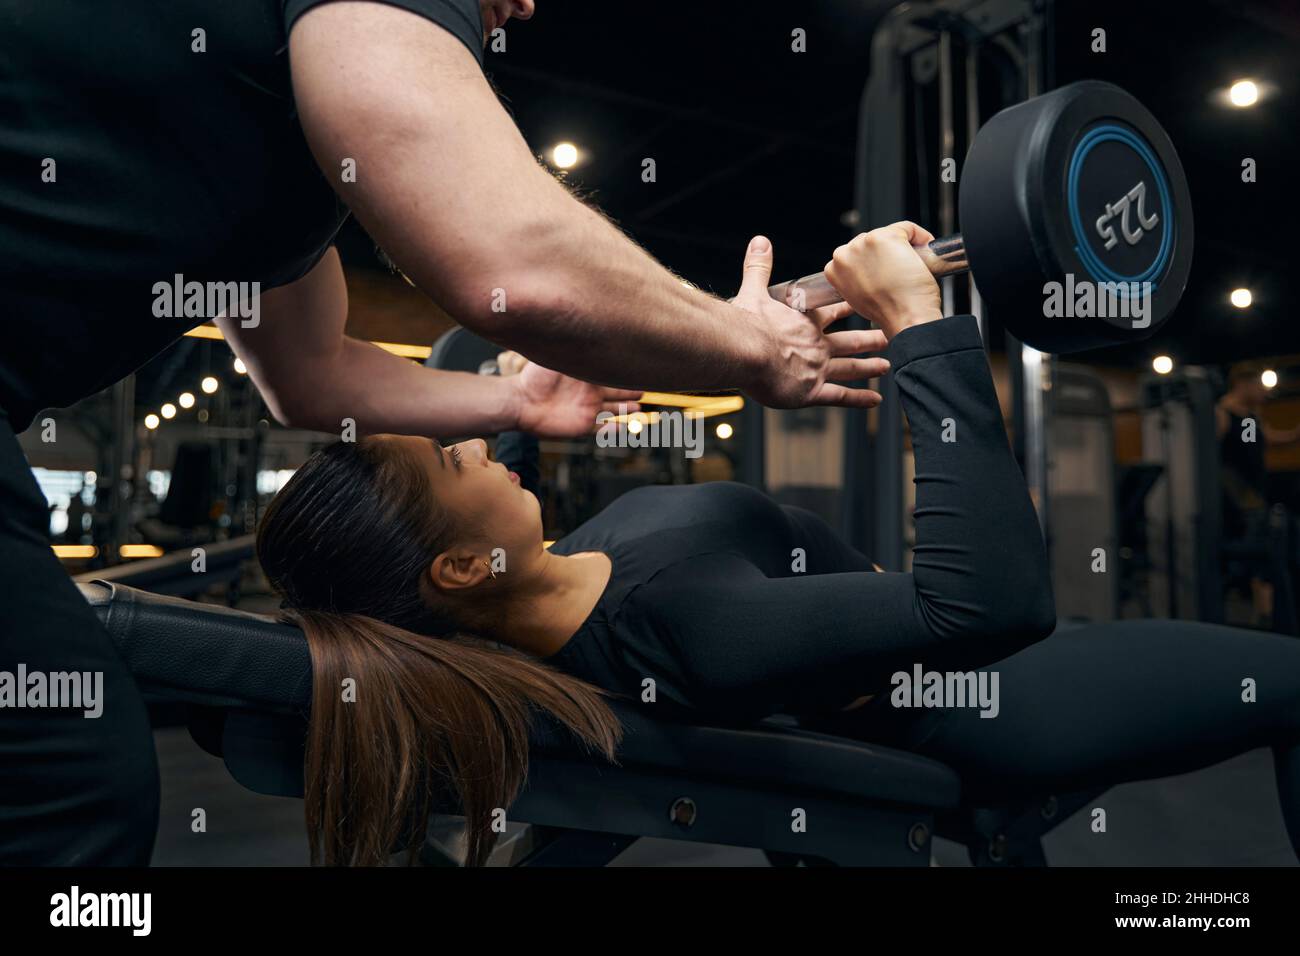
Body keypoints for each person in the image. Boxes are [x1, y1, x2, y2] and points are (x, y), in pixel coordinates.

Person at [0, 0, 874, 865]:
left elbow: (306, 375)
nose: (527, 2)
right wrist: (751, 348)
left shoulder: (271, 137)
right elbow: (517, 265)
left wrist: (516, 407)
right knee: (63, 782)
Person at [256, 226, 1300, 866]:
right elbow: (985, 606)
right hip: (993, 701)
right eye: (453, 458)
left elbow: (492, 379)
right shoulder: (687, 620)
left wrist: (738, 325)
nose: (479, 444)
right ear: (454, 568)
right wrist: (921, 325)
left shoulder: (532, 582)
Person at [1216, 364, 1300, 626]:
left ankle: (1264, 613)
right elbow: (1210, 457)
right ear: (1242, 383)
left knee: (1266, 550)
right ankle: (1252, 612)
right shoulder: (1221, 413)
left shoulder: (1252, 416)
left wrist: (1296, 434)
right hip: (1236, 498)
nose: (1263, 392)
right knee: (1254, 551)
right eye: (1258, 386)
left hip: (1256, 493)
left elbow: (1269, 438)